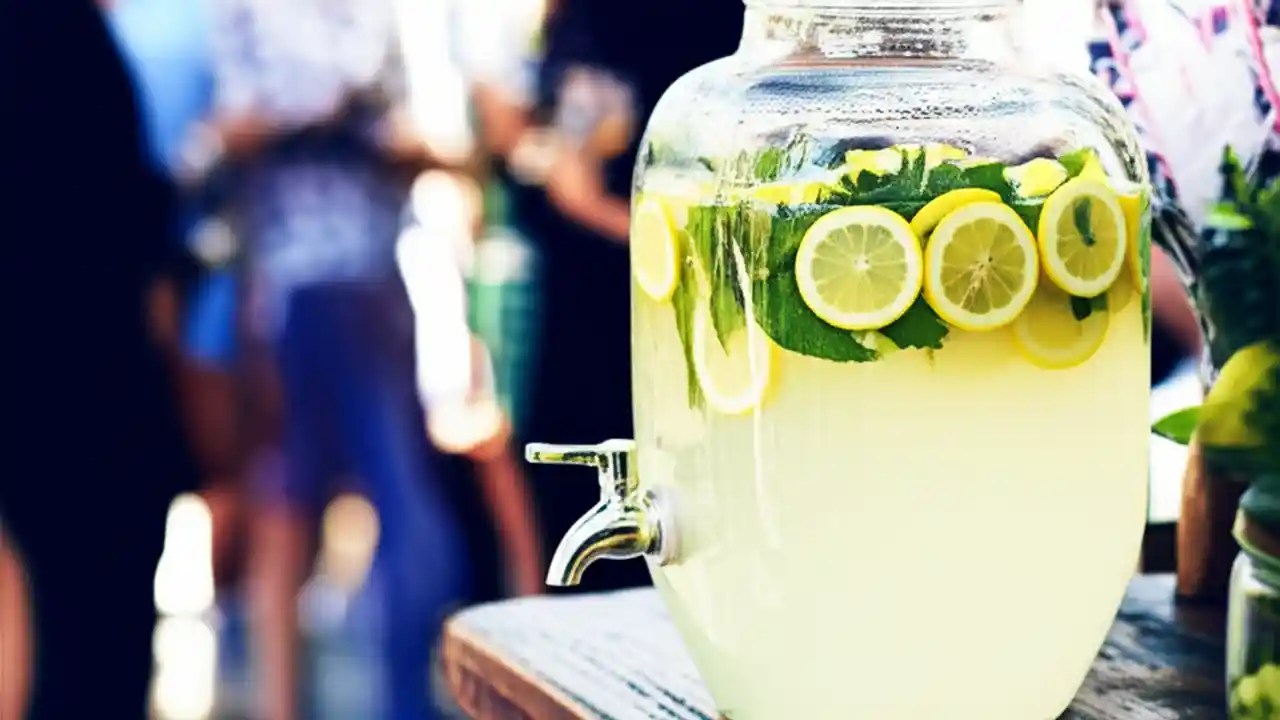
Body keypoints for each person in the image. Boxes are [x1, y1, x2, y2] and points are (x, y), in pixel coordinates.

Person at [197, 0, 537, 716]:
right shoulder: (243, 13)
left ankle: (403, 697)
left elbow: (438, 143)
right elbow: (219, 136)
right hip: (286, 286)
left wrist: (357, 128)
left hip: (377, 279)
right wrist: (305, 123)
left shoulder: (390, 15)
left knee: (397, 512)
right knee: (289, 505)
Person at [1, 0, 196, 716]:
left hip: (61, 384)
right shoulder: (55, 36)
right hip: (81, 389)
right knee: (88, 629)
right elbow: (122, 210)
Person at [523, 0, 744, 593]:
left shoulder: (600, 19)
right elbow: (576, 180)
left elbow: (571, 183)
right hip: (645, 302)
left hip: (630, 305)